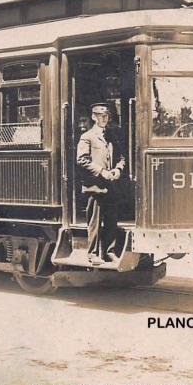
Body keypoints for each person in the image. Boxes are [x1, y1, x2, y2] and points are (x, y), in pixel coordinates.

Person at [76, 102, 126, 264]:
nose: (104, 118)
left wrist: (118, 170)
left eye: (106, 116)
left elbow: (121, 158)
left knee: (111, 220)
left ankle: (109, 251)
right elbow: (82, 160)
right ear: (93, 117)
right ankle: (92, 254)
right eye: (100, 116)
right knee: (95, 222)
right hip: (95, 186)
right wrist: (101, 171)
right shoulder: (87, 136)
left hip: (111, 186)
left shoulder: (111, 136)